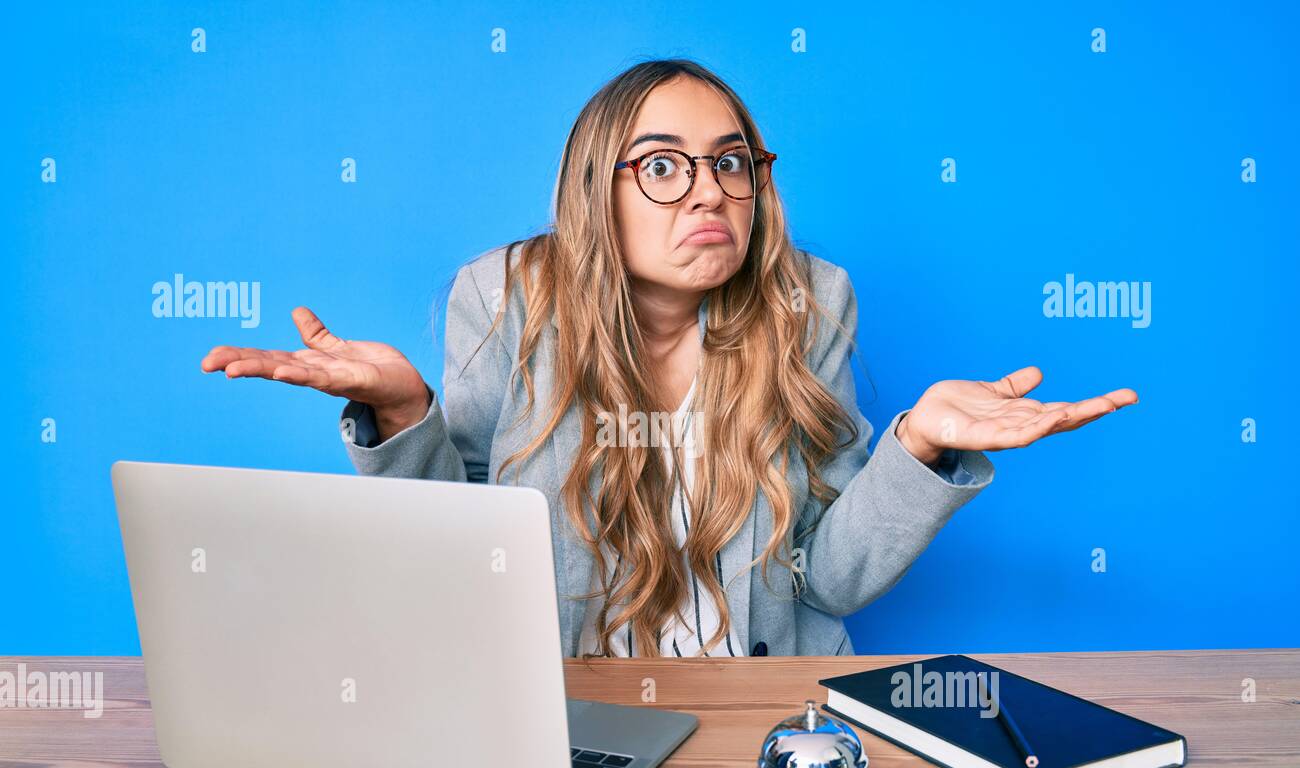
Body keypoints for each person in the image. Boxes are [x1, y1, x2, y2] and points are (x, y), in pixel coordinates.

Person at [200, 58, 1136, 659]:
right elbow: (466, 574)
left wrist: (918, 446)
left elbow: (833, 579)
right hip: (566, 713)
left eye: (731, 163)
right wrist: (408, 418)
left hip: (766, 715)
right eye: (662, 164)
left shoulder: (814, 303)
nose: (709, 192)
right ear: (592, 187)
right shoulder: (503, 299)